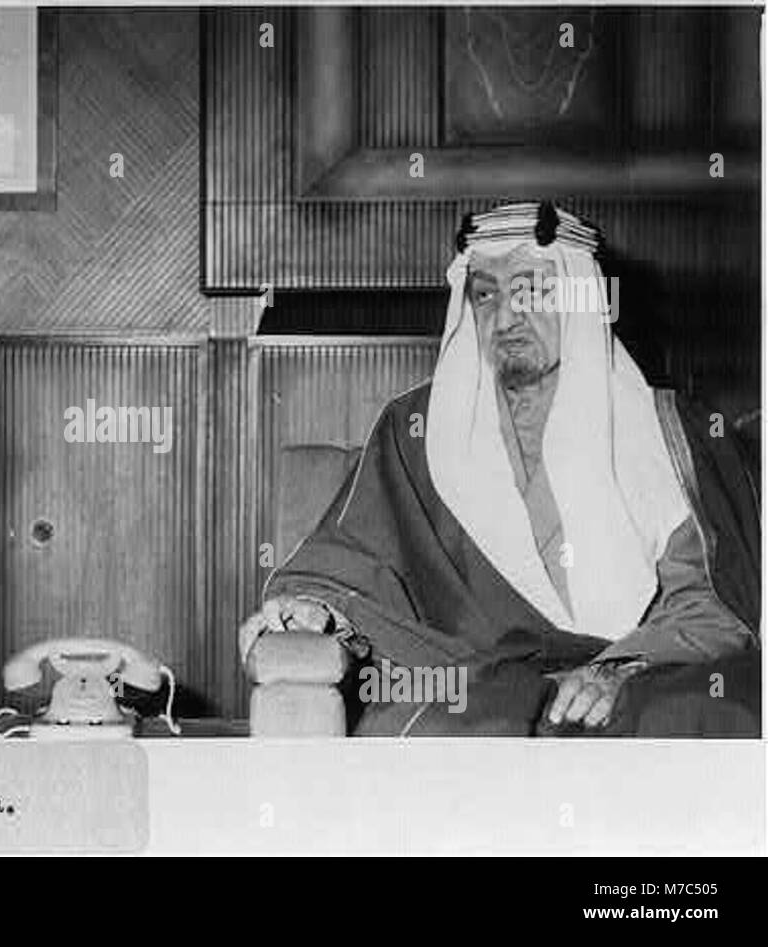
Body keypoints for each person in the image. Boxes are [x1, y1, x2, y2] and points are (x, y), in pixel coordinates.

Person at [240, 203, 760, 736]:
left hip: (646, 674)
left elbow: (712, 601)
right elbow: (350, 563)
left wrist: (616, 670)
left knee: (707, 716)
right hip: (478, 684)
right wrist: (317, 611)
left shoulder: (671, 431)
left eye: (532, 290)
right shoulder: (414, 432)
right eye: (485, 294)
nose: (506, 316)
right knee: (442, 726)